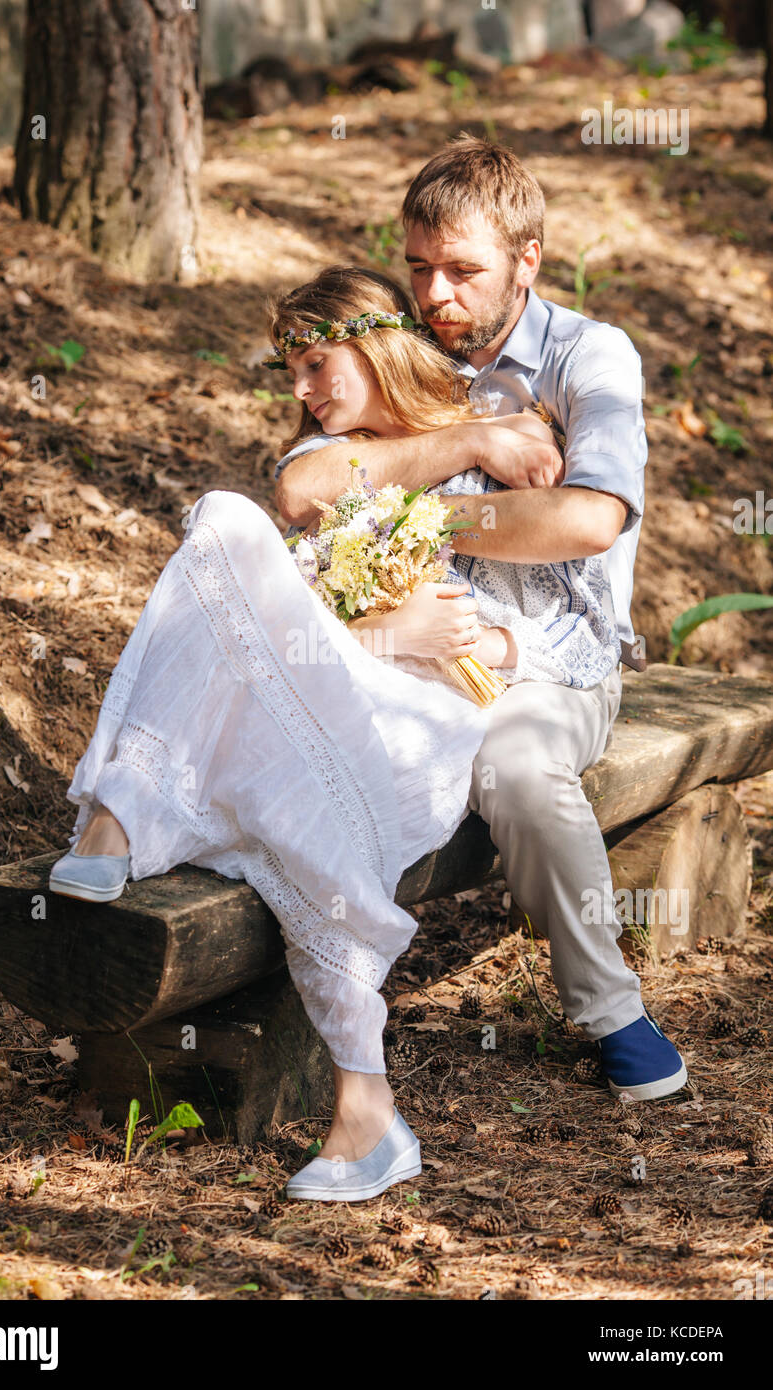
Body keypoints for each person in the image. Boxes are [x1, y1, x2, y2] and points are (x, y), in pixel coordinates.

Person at [46, 262, 630, 1203]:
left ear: (377, 348)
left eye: (320, 364)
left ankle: (365, 1105)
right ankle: (116, 812)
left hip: (426, 734)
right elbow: (295, 543)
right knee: (224, 521)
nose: (302, 390)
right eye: (293, 372)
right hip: (321, 706)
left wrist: (490, 630)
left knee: (233, 547)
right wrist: (388, 626)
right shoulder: (327, 467)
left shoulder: (506, 450)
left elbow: (562, 601)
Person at [274, 137, 687, 1108]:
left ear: (525, 260)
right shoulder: (412, 349)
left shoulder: (590, 359)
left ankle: (610, 1012)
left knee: (511, 761)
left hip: (549, 668)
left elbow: (586, 519)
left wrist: (421, 509)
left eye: (462, 270)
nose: (435, 293)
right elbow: (304, 484)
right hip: (400, 661)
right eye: (418, 268)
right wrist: (469, 444)